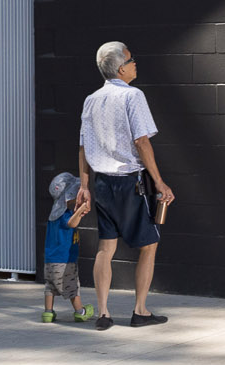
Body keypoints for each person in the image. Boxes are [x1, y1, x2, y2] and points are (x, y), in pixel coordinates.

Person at [73, 41, 175, 330]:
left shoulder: (91, 99)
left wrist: (84, 186)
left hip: (102, 183)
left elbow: (83, 146)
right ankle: (140, 310)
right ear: (121, 68)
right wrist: (159, 182)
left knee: (106, 248)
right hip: (130, 183)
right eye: (132, 60)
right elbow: (142, 142)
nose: (135, 64)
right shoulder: (133, 96)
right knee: (150, 244)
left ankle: (103, 313)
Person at [38, 170, 94, 325]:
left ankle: (48, 313)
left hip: (50, 260)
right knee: (72, 287)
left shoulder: (53, 215)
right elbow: (71, 223)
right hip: (65, 260)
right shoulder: (65, 215)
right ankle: (80, 311)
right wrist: (81, 210)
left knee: (50, 286)